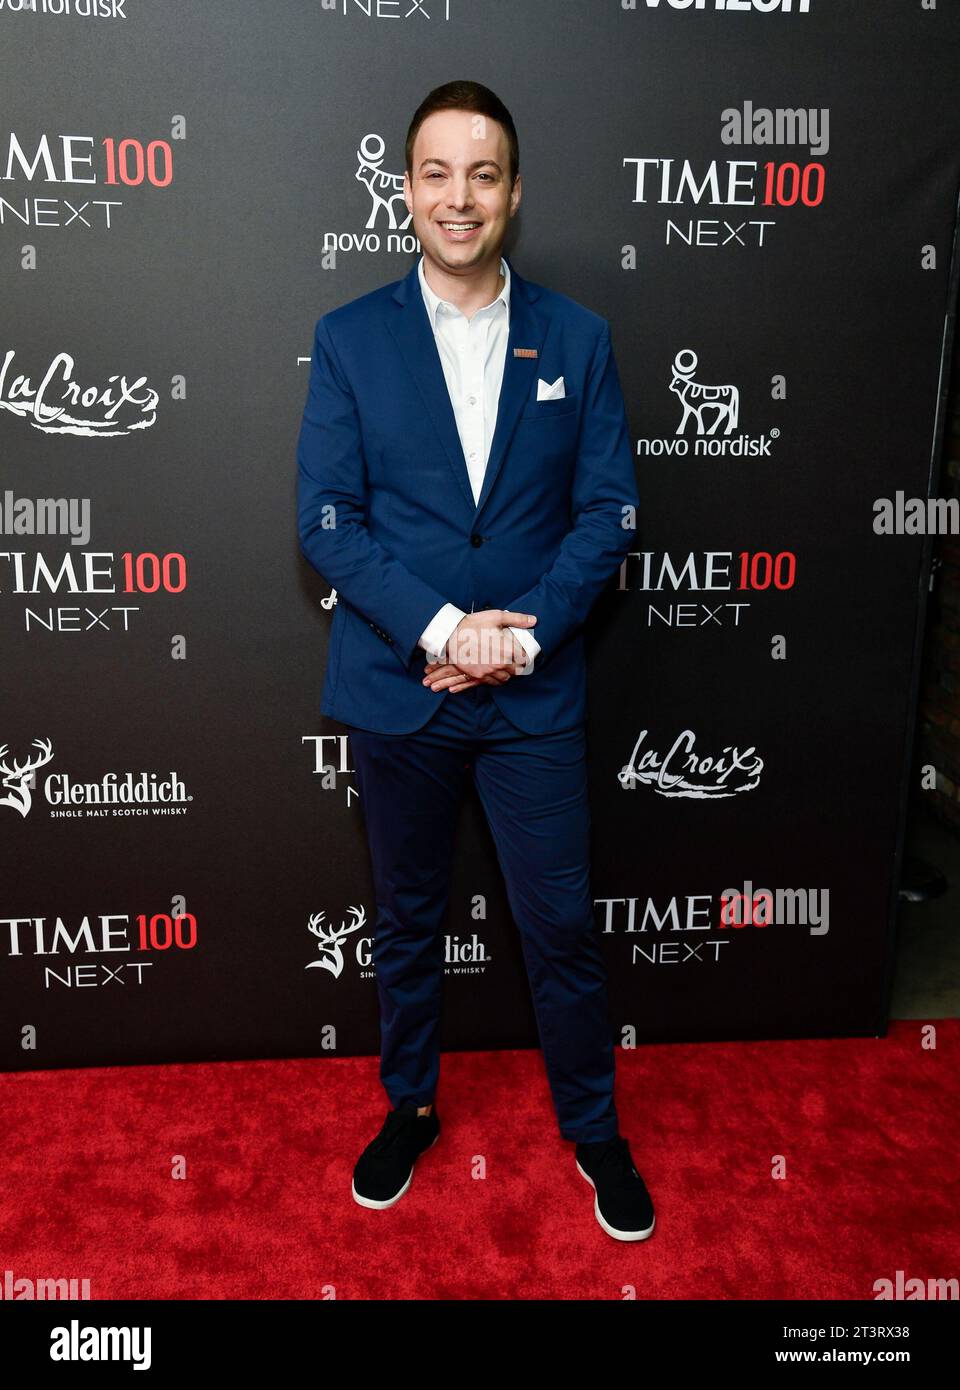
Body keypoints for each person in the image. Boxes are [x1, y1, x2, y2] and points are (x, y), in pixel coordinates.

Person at [296, 80, 653, 1242]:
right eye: (438, 173)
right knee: (406, 918)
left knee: (560, 926)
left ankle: (594, 1128)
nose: (460, 197)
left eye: (483, 174)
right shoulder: (349, 338)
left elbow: (606, 513)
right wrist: (452, 631)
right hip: (401, 688)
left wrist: (520, 636)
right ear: (405, 189)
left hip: (533, 695)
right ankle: (410, 1104)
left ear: (513, 192)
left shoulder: (580, 337)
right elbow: (328, 522)